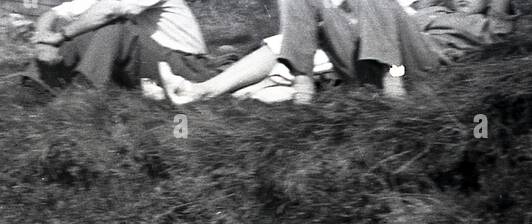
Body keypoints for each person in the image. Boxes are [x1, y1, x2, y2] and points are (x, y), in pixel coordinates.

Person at [159, 0, 517, 105]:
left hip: (418, 72)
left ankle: (391, 85)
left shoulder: (490, 26)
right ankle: (302, 86)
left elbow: (502, 22)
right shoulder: (430, 9)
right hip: (369, 67)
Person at [25, 0, 210, 97]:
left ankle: (84, 99)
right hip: (151, 65)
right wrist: (43, 40)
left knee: (114, 28)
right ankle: (37, 91)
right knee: (80, 29)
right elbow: (53, 13)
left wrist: (60, 35)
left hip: (187, 68)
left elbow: (109, 11)